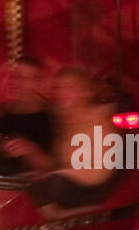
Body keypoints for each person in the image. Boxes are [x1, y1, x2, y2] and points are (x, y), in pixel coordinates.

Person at [17, 66, 120, 215]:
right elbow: (57, 164)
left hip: (95, 188)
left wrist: (57, 175)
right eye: (59, 88)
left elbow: (99, 171)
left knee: (50, 186)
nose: (61, 93)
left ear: (85, 92)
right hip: (68, 184)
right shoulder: (65, 121)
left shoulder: (98, 120)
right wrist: (30, 151)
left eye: (68, 87)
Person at [0, 56, 53, 174]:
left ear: (38, 83)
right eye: (15, 77)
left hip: (34, 188)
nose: (17, 83)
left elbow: (57, 167)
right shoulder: (2, 117)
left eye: (24, 78)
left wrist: (31, 152)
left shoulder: (51, 120)